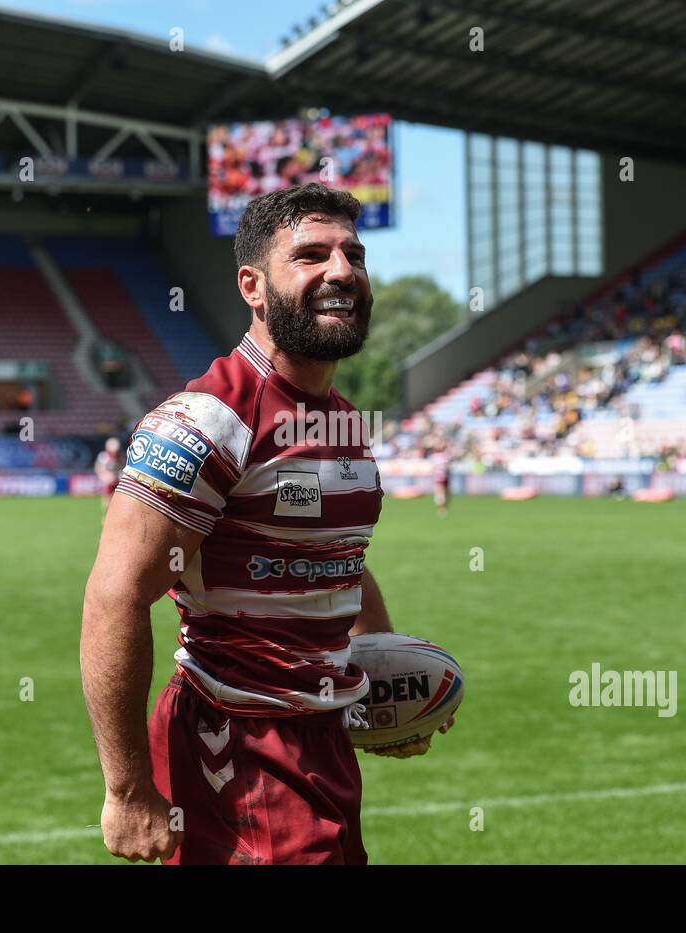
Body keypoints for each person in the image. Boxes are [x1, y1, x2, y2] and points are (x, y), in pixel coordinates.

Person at [80, 184, 455, 866]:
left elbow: (343, 561)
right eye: (312, 255)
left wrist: (382, 686)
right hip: (239, 751)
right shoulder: (205, 419)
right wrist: (127, 788)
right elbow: (115, 594)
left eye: (354, 255)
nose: (342, 271)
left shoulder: (343, 423)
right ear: (253, 286)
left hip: (323, 748)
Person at [93, 437, 123, 513]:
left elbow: (124, 467)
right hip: (108, 483)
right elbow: (99, 468)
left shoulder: (122, 456)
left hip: (118, 482)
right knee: (107, 504)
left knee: (118, 503)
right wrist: (103, 476)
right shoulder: (103, 456)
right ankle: (106, 519)